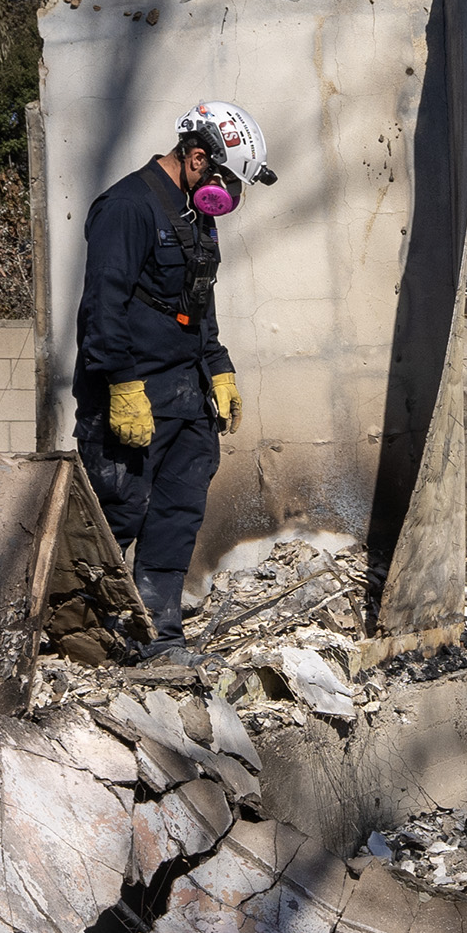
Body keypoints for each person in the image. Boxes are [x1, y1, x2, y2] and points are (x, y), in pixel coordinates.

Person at [75, 103, 275, 662]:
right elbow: (102, 306)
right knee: (118, 513)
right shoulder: (127, 207)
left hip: (186, 395)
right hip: (131, 393)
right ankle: (77, 635)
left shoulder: (195, 215)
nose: (227, 197)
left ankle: (158, 638)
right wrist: (120, 383)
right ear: (195, 157)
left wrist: (219, 366)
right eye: (225, 181)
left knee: (176, 514)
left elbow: (198, 304)